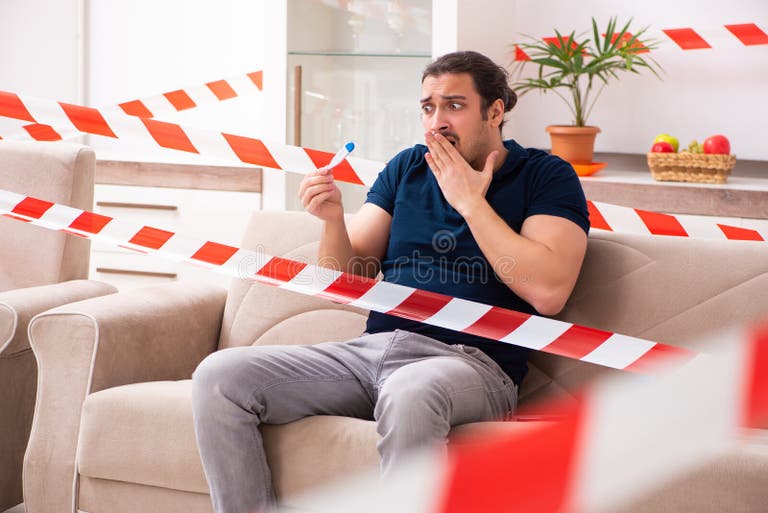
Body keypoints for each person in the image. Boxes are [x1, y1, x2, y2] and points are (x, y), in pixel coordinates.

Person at [191, 50, 590, 513]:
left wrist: (470, 203)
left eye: (454, 106)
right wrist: (332, 219)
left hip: (473, 364)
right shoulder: (407, 168)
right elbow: (341, 281)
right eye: (427, 107)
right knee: (220, 376)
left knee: (411, 389)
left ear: (495, 111)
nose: (437, 122)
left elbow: (548, 291)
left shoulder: (545, 175)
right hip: (374, 351)